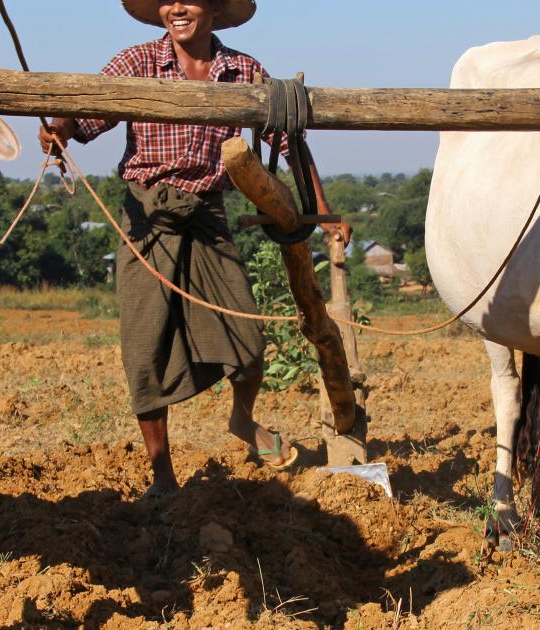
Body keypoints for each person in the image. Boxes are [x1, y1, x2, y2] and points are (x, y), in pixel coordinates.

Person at [39, 0, 346, 497]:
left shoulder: (243, 71)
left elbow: (289, 142)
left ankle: (242, 419)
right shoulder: (136, 62)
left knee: (247, 340)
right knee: (145, 347)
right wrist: (59, 131)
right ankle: (162, 475)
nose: (176, 8)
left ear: (214, 8)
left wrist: (324, 210)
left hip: (207, 216)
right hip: (147, 217)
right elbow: (86, 113)